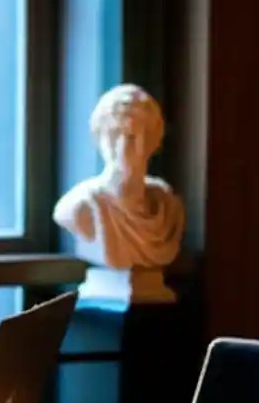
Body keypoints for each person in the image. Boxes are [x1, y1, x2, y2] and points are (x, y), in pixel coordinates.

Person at [52, 83, 185, 271]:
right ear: (99, 139)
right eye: (113, 135)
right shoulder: (80, 207)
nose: (121, 147)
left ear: (152, 141)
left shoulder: (167, 206)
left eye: (131, 136)